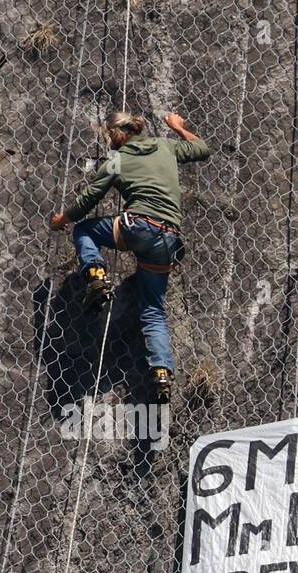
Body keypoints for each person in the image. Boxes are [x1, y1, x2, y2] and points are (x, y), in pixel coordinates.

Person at [49, 111, 210, 402]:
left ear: (119, 135)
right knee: (152, 310)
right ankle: (161, 370)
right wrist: (177, 128)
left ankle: (96, 276)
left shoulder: (118, 159)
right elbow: (202, 149)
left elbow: (91, 197)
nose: (108, 141)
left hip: (136, 226)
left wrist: (64, 219)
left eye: (109, 136)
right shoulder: (165, 146)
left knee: (85, 230)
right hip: (168, 239)